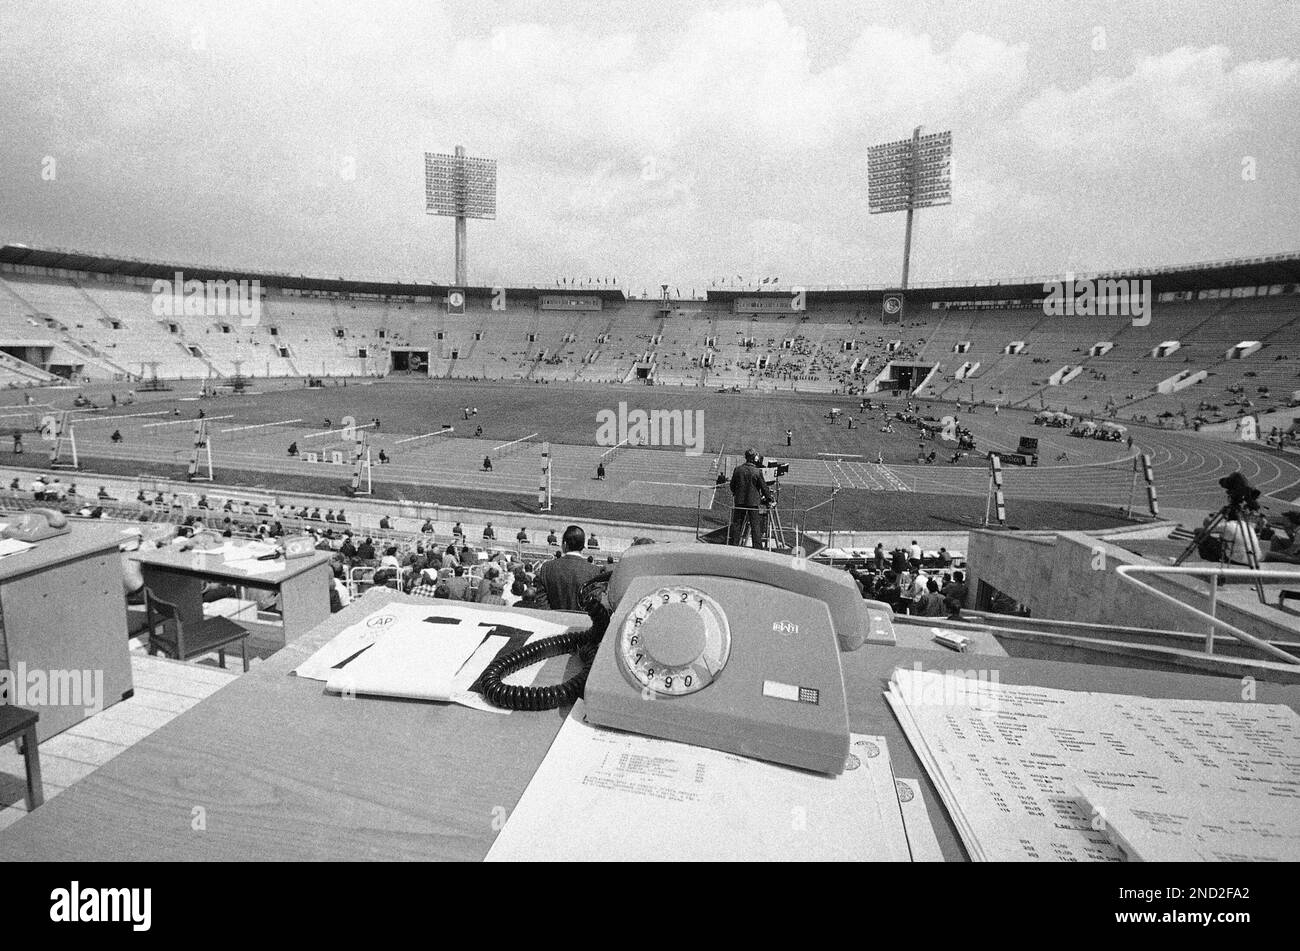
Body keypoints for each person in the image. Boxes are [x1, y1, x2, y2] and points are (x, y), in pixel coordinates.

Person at [534, 525, 603, 610]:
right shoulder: (594, 571)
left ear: (565, 544)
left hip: (553, 620)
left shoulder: (547, 568)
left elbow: (542, 604)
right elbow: (595, 605)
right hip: (580, 621)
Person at [728, 448, 772, 548]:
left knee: (737, 524)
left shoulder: (738, 469)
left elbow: (732, 486)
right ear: (754, 458)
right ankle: (757, 548)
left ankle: (733, 546)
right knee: (755, 526)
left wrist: (737, 493)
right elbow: (764, 488)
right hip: (753, 503)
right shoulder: (757, 471)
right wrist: (769, 499)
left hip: (740, 501)